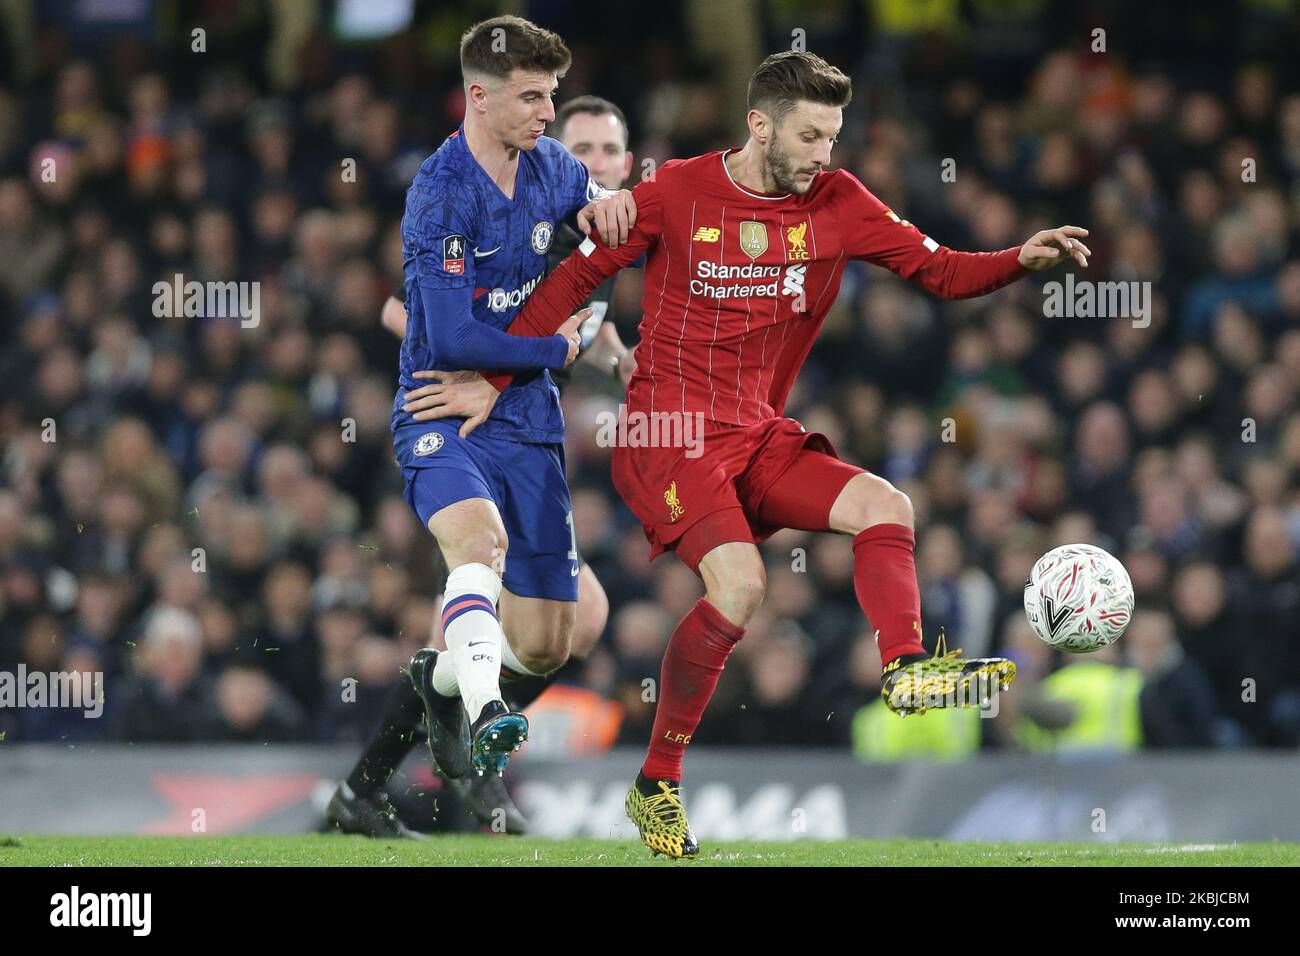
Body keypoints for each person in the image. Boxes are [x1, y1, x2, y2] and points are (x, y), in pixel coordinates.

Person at [486, 51, 1090, 857]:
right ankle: (658, 783)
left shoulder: (841, 200)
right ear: (759, 124)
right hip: (667, 432)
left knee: (888, 505)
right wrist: (490, 375)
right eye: (809, 136)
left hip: (756, 431)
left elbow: (941, 271)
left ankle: (906, 669)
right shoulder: (674, 193)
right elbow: (567, 286)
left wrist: (1022, 258)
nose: (823, 154)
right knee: (741, 586)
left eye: (832, 136)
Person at [325, 16, 636, 839]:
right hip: (444, 413)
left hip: (531, 426)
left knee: (549, 639)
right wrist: (551, 348)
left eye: (553, 97)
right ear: (479, 96)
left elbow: (603, 303)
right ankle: (470, 736)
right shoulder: (441, 188)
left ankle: (394, 762)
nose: (547, 113)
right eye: (534, 97)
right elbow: (451, 333)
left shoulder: (560, 173)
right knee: (478, 550)